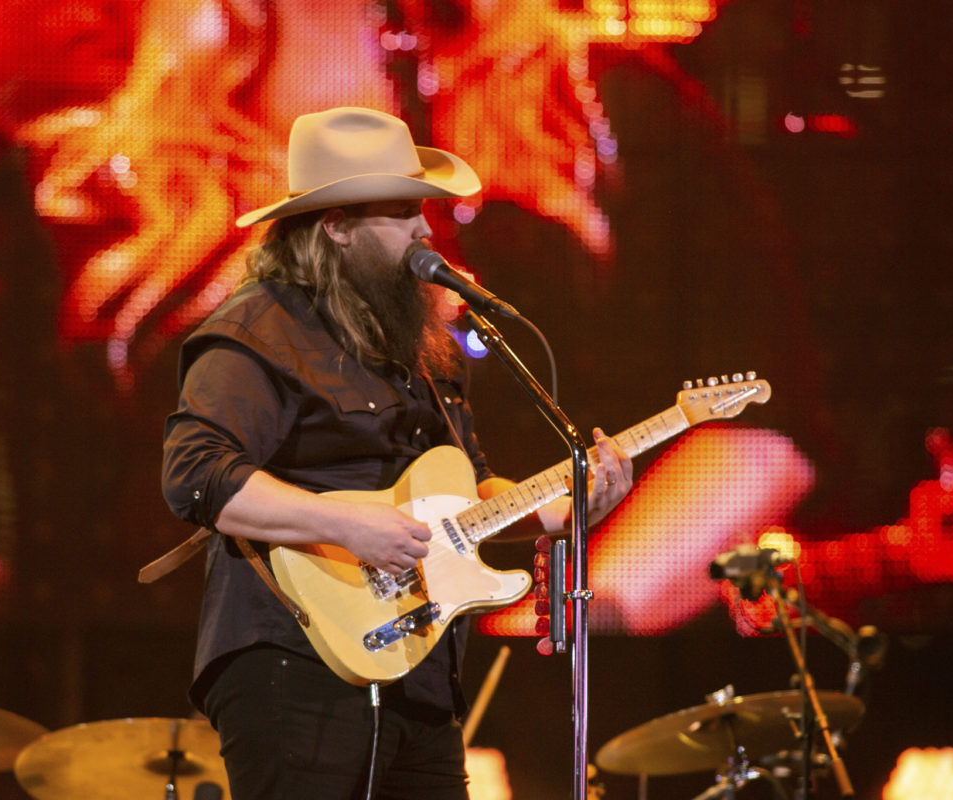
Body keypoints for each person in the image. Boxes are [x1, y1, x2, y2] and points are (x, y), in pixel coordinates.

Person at [160, 106, 634, 800]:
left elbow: (468, 490)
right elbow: (196, 474)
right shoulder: (258, 329)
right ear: (337, 226)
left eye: (423, 210)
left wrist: (562, 513)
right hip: (294, 661)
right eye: (403, 211)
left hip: (420, 664)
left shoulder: (421, 346)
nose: (424, 229)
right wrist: (346, 525)